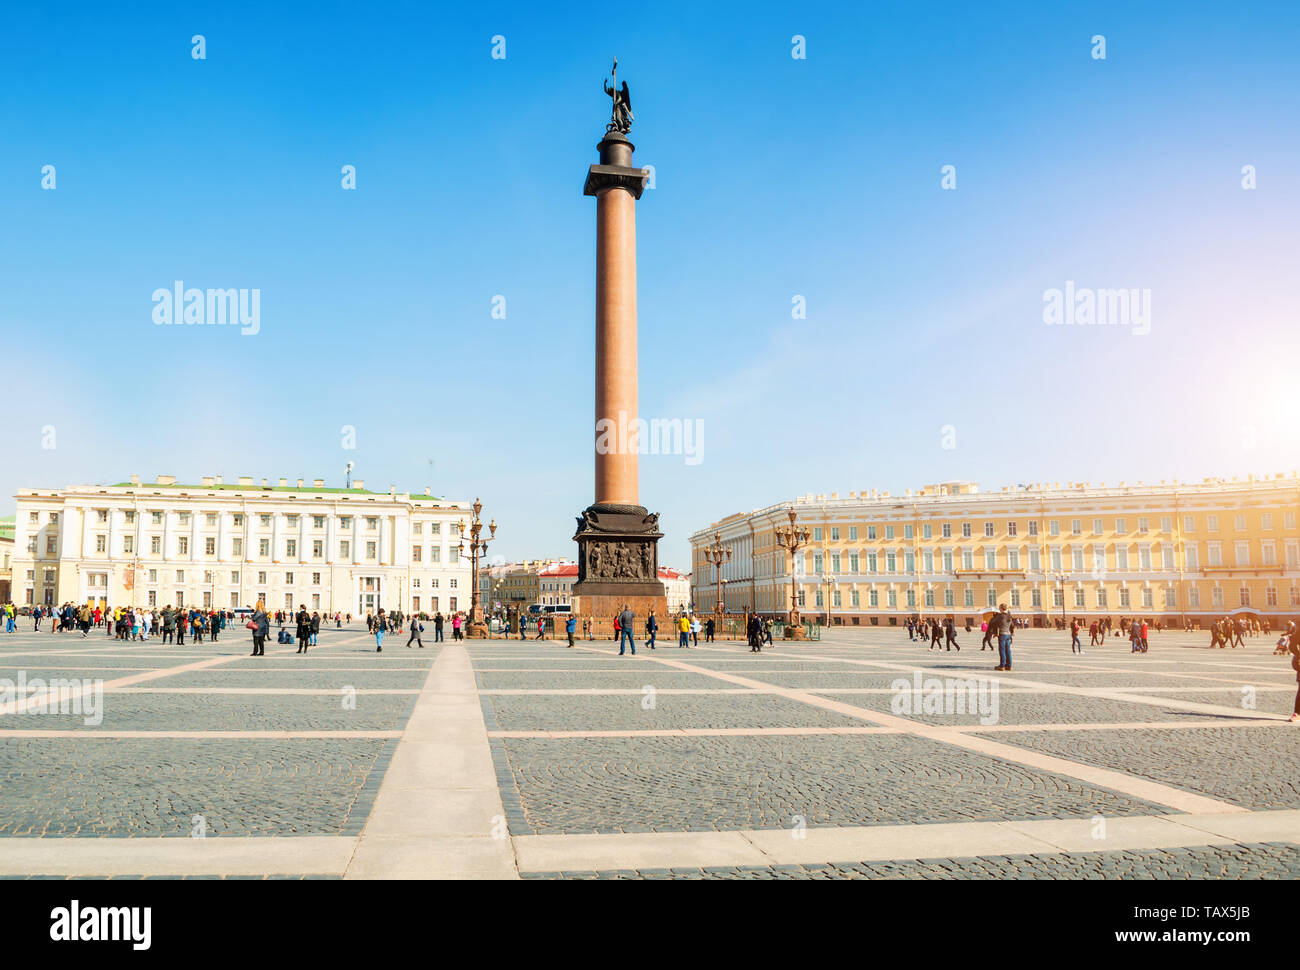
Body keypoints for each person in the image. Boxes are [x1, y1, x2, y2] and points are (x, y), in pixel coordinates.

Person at [991, 604, 1015, 671]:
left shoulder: (1000, 616)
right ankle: (1009, 666)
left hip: (1002, 634)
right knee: (1008, 650)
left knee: (1002, 650)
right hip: (1008, 634)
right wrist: (1012, 633)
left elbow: (993, 623)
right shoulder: (1009, 616)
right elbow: (1012, 625)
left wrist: (995, 633)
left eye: (999, 608)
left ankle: (1002, 665)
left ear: (1001, 609)